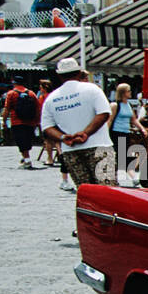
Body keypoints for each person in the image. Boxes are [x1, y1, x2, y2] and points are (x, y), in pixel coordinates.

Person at [39, 57, 115, 199]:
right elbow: (104, 113)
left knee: (86, 193)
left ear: (59, 76)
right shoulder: (92, 89)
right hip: (100, 146)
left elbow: (47, 127)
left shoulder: (51, 98)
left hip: (71, 149)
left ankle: (91, 220)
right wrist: (86, 133)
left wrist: (63, 137)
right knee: (108, 192)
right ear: (79, 72)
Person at [2, 76, 41, 170]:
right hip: (30, 121)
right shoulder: (31, 93)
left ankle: (27, 160)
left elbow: (7, 109)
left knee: (20, 140)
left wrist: (4, 121)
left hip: (17, 121)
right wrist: (37, 120)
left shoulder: (11, 93)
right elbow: (38, 108)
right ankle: (25, 157)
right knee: (27, 140)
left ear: (14, 83)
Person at [108, 83, 144, 158]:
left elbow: (133, 119)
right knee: (121, 155)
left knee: (124, 154)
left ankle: (122, 168)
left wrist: (142, 128)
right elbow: (110, 120)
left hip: (126, 132)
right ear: (123, 93)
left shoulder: (129, 105)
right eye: (128, 91)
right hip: (117, 132)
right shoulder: (115, 105)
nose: (130, 92)